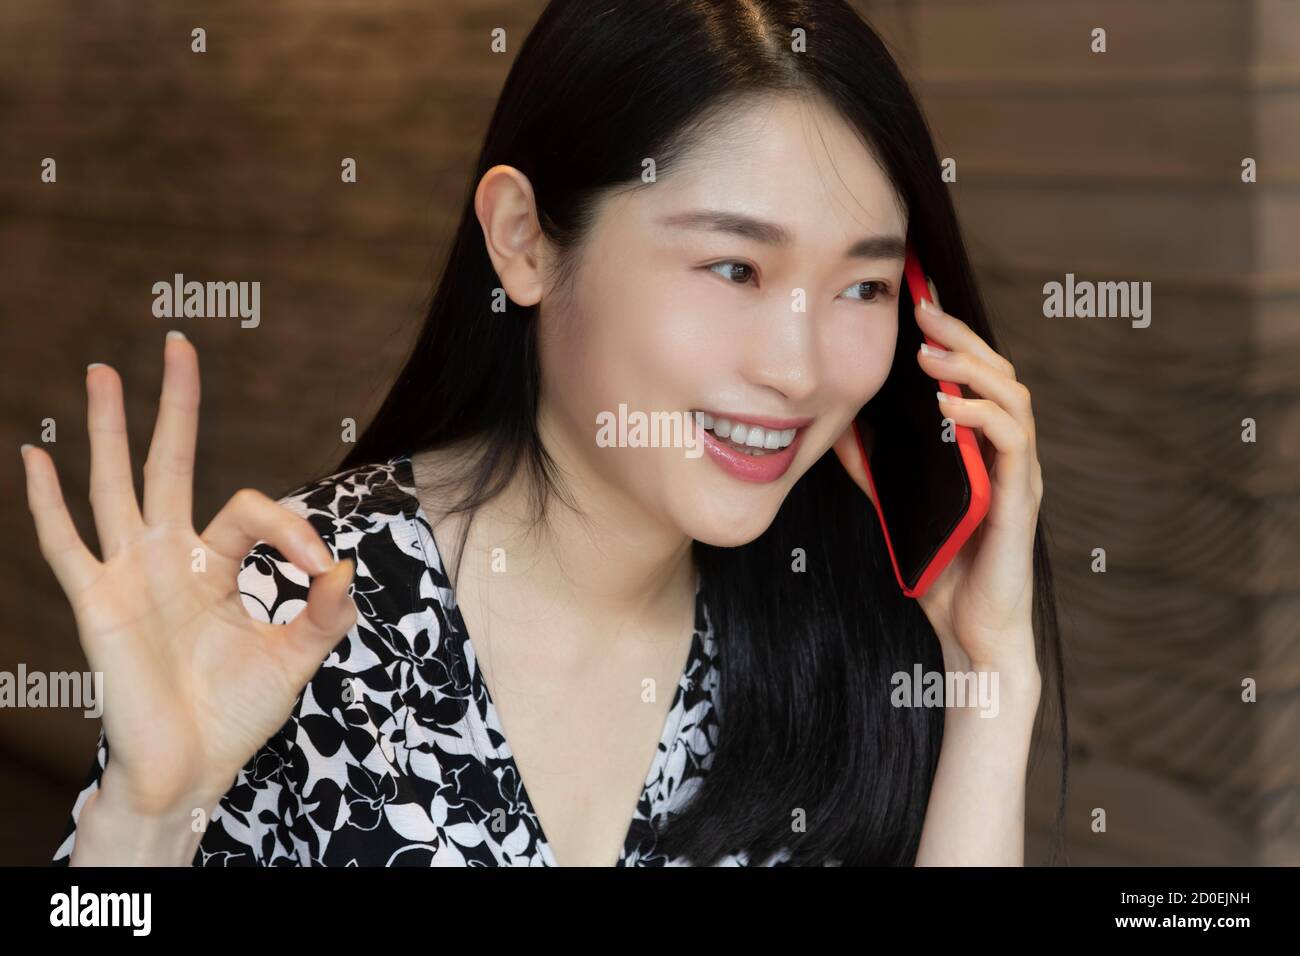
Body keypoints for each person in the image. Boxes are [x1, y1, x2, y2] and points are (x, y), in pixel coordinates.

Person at [32, 0, 1064, 867]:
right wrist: (146, 814)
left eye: (864, 284)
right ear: (523, 241)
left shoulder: (843, 642)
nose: (798, 369)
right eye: (734, 268)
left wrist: (991, 676)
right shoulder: (296, 606)